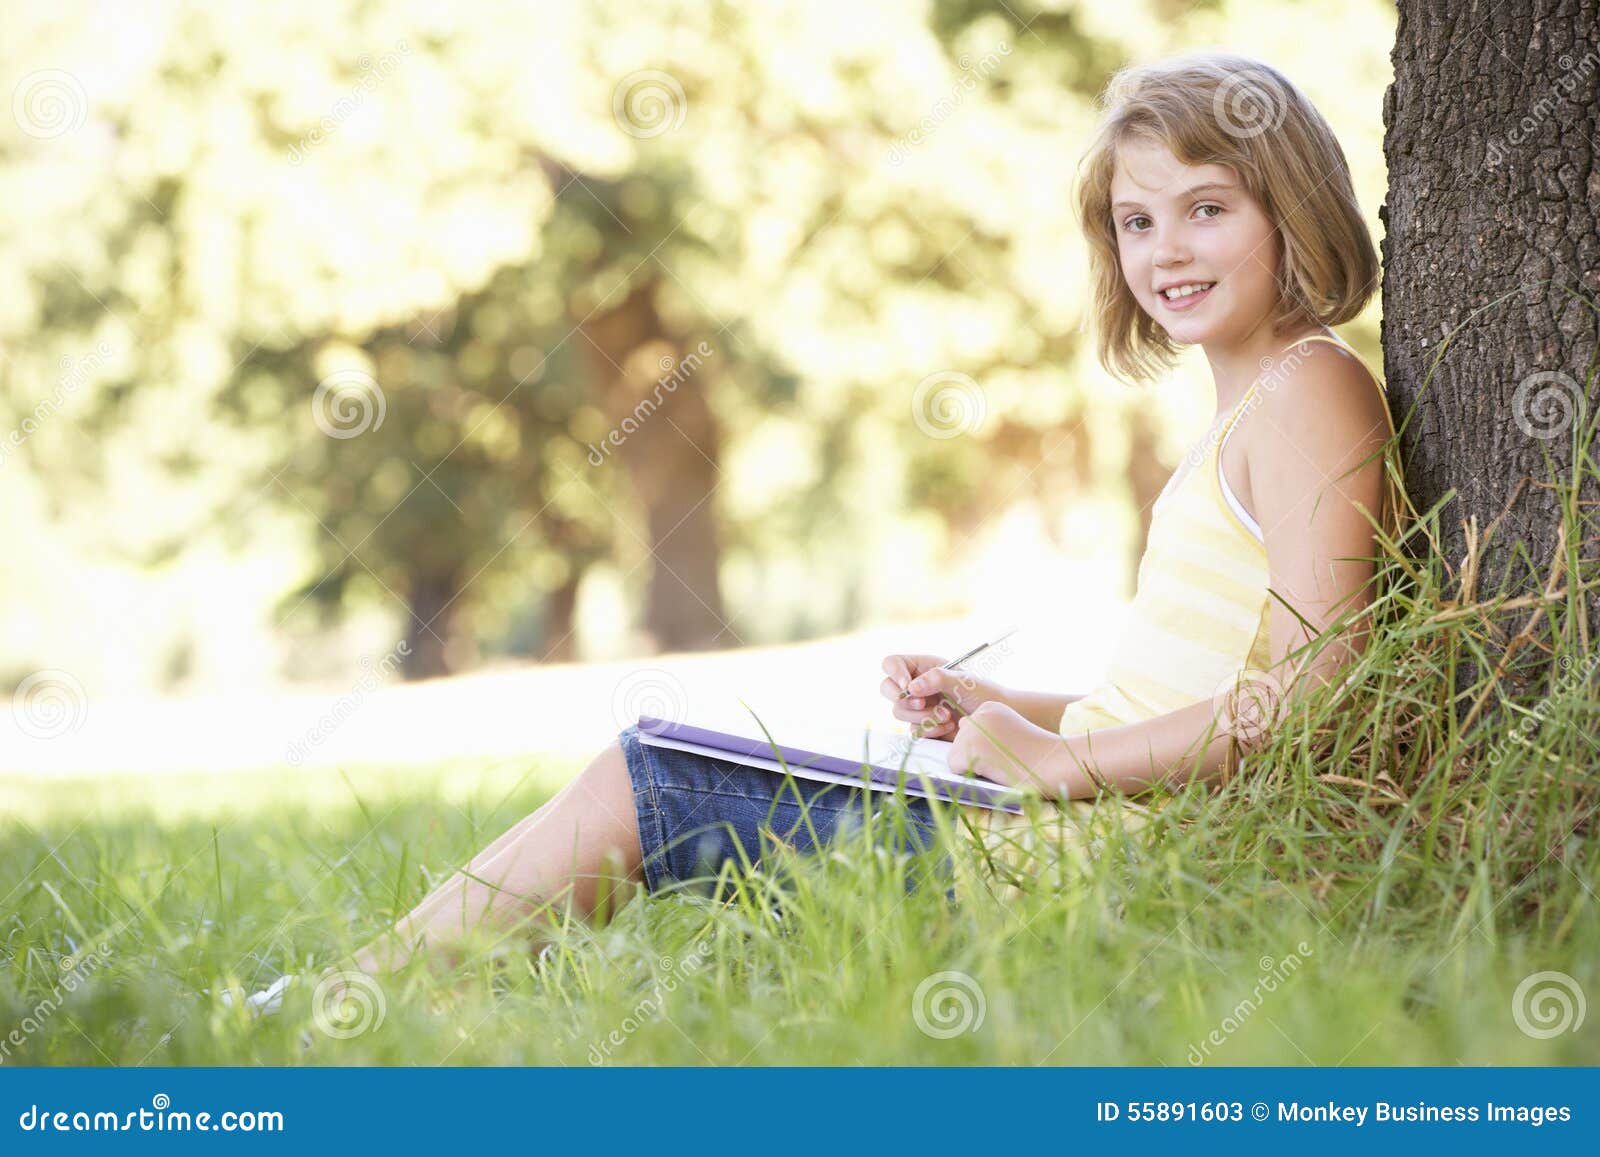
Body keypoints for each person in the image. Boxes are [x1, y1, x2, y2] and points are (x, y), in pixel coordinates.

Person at [225, 50, 1401, 1014]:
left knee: (654, 776)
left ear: (1287, 205)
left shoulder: (1307, 390)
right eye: (1137, 221)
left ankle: (349, 1008)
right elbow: (1181, 695)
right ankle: (378, 996)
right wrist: (1009, 711)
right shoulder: (1246, 406)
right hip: (1066, 829)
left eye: (1207, 209)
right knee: (681, 753)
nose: (1166, 251)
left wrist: (1054, 762)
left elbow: (1314, 687)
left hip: (1085, 866)